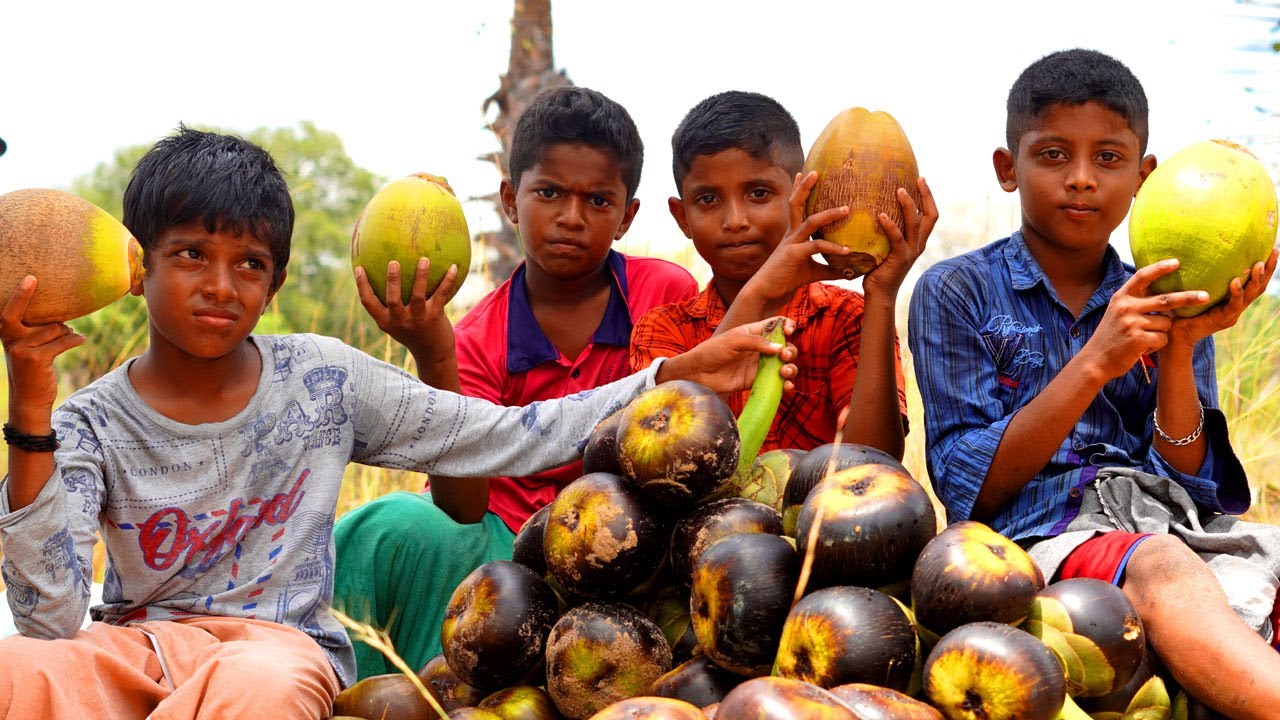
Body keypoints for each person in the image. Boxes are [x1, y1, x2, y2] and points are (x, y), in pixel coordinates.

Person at [0, 126, 795, 719]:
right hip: (136, 646)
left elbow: (505, 433)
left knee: (263, 692)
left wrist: (665, 376)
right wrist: (30, 403)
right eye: (189, 255)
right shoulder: (88, 423)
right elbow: (50, 618)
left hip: (274, 651)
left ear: (273, 287)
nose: (220, 285)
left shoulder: (320, 380)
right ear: (140, 266)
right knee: (15, 672)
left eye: (248, 264)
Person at [908, 48, 1280, 719]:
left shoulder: (1167, 291)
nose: (1081, 179)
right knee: (1161, 563)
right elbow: (970, 488)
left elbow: (1192, 483)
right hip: (1036, 544)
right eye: (1053, 154)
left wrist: (1182, 345)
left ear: (1144, 178)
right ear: (1007, 168)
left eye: (1108, 159)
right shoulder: (957, 290)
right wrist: (1093, 366)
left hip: (1170, 527)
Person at [331, 86, 700, 679]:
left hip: (636, 556)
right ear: (510, 199)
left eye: (597, 200)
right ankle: (341, 681)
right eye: (549, 193)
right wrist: (434, 350)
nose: (571, 217)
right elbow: (462, 507)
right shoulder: (478, 337)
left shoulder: (664, 294)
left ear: (627, 215)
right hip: (511, 555)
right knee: (391, 525)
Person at [630, 90, 937, 457]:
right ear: (682, 218)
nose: (736, 221)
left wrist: (882, 295)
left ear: (802, 195)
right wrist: (758, 295)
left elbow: (873, 463)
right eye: (708, 199)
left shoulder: (845, 317)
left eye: (758, 193)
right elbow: (662, 456)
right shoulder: (663, 328)